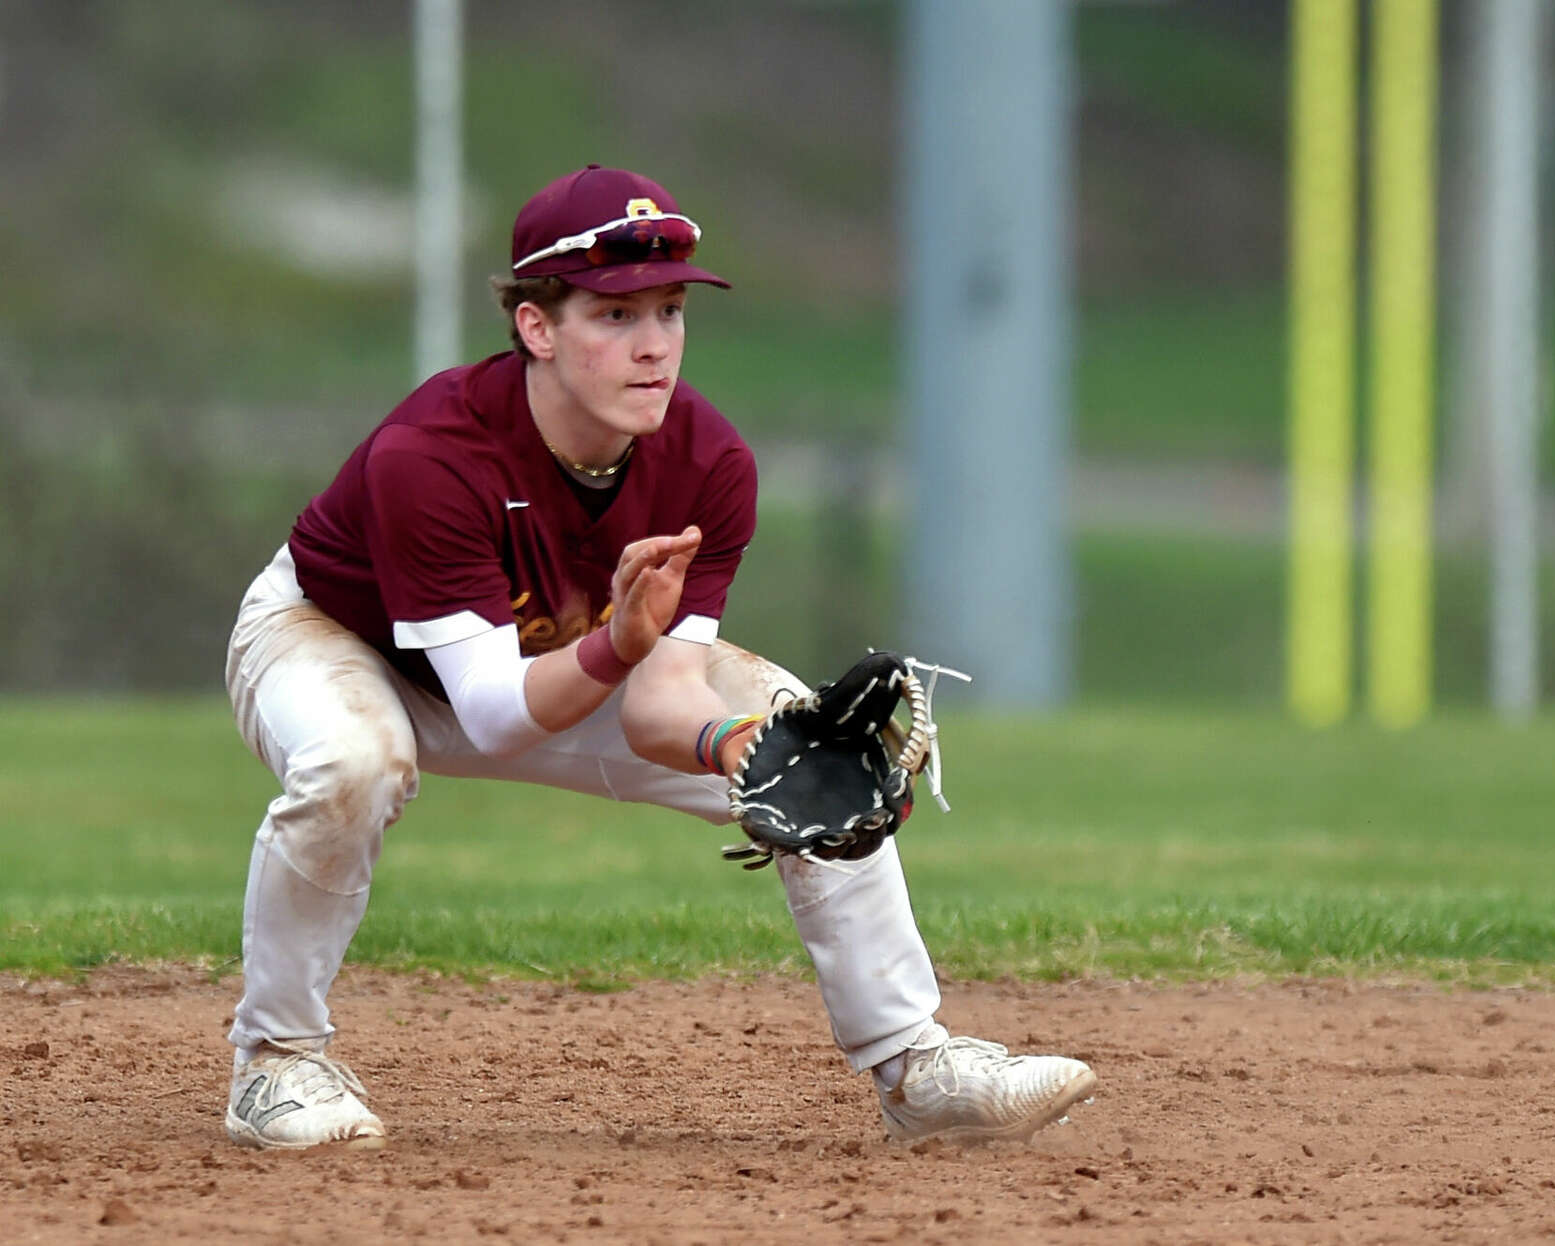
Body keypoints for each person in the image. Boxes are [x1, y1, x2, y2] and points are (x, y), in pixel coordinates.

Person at [220, 164, 1096, 1150]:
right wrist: (616, 644)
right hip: (339, 641)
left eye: (670, 311)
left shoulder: (706, 463)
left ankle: (914, 1063)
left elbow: (657, 699)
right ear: (536, 327)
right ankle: (277, 1061)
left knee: (799, 730)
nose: (653, 347)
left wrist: (728, 738)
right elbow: (493, 717)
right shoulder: (432, 455)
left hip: (560, 662)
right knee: (354, 760)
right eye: (614, 314)